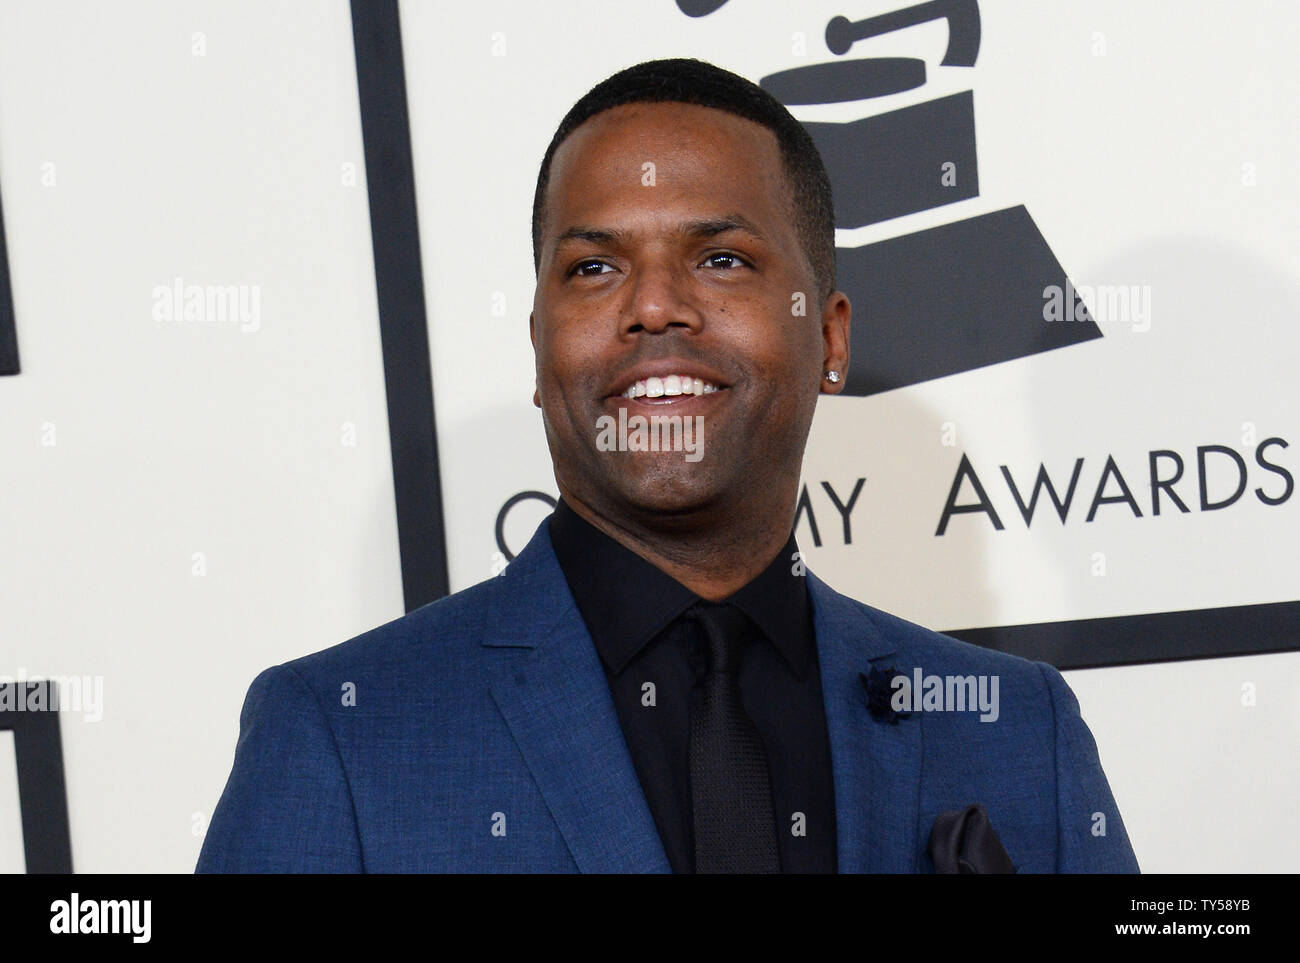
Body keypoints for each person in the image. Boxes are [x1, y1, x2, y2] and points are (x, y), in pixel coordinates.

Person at [197, 57, 1138, 873]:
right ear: (539, 347)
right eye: (594, 269)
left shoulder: (1017, 732)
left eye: (722, 259)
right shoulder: (341, 735)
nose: (655, 307)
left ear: (831, 339)